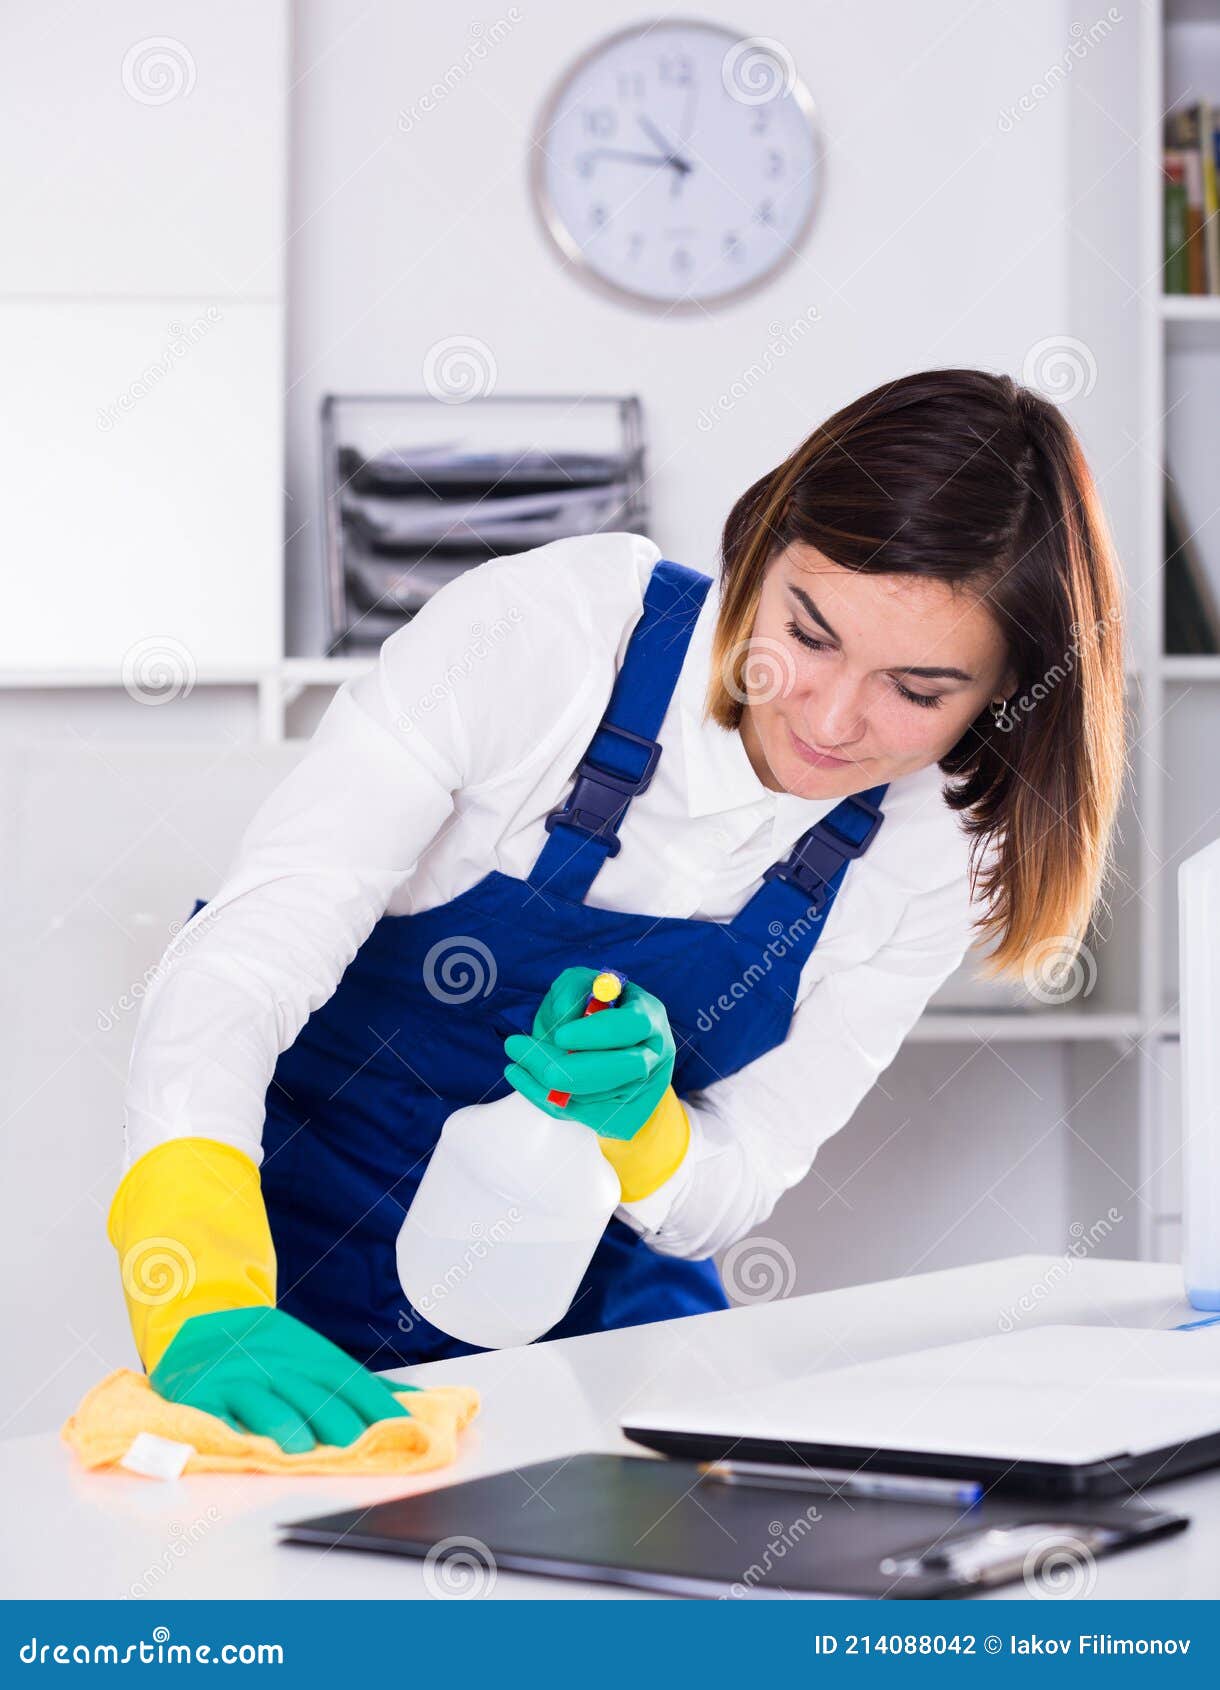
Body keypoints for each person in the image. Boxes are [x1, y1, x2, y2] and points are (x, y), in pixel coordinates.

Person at [107, 369, 1127, 1451]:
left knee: (698, 1576)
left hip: (600, 1315)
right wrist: (202, 1282)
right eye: (808, 631)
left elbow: (738, 1177)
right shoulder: (542, 636)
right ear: (759, 539)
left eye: (916, 691)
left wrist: (645, 1132)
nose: (829, 718)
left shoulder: (934, 848)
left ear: (1005, 694)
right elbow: (246, 956)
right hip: (296, 1255)